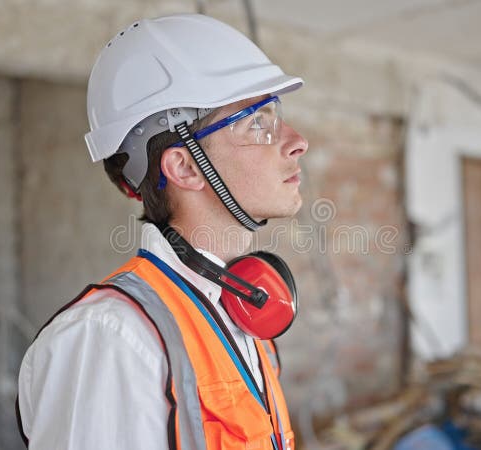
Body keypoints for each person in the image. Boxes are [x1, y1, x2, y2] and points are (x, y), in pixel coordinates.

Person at [16, 13, 309, 450]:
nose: (296, 140)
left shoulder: (246, 311)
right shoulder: (112, 338)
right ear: (186, 166)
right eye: (257, 121)